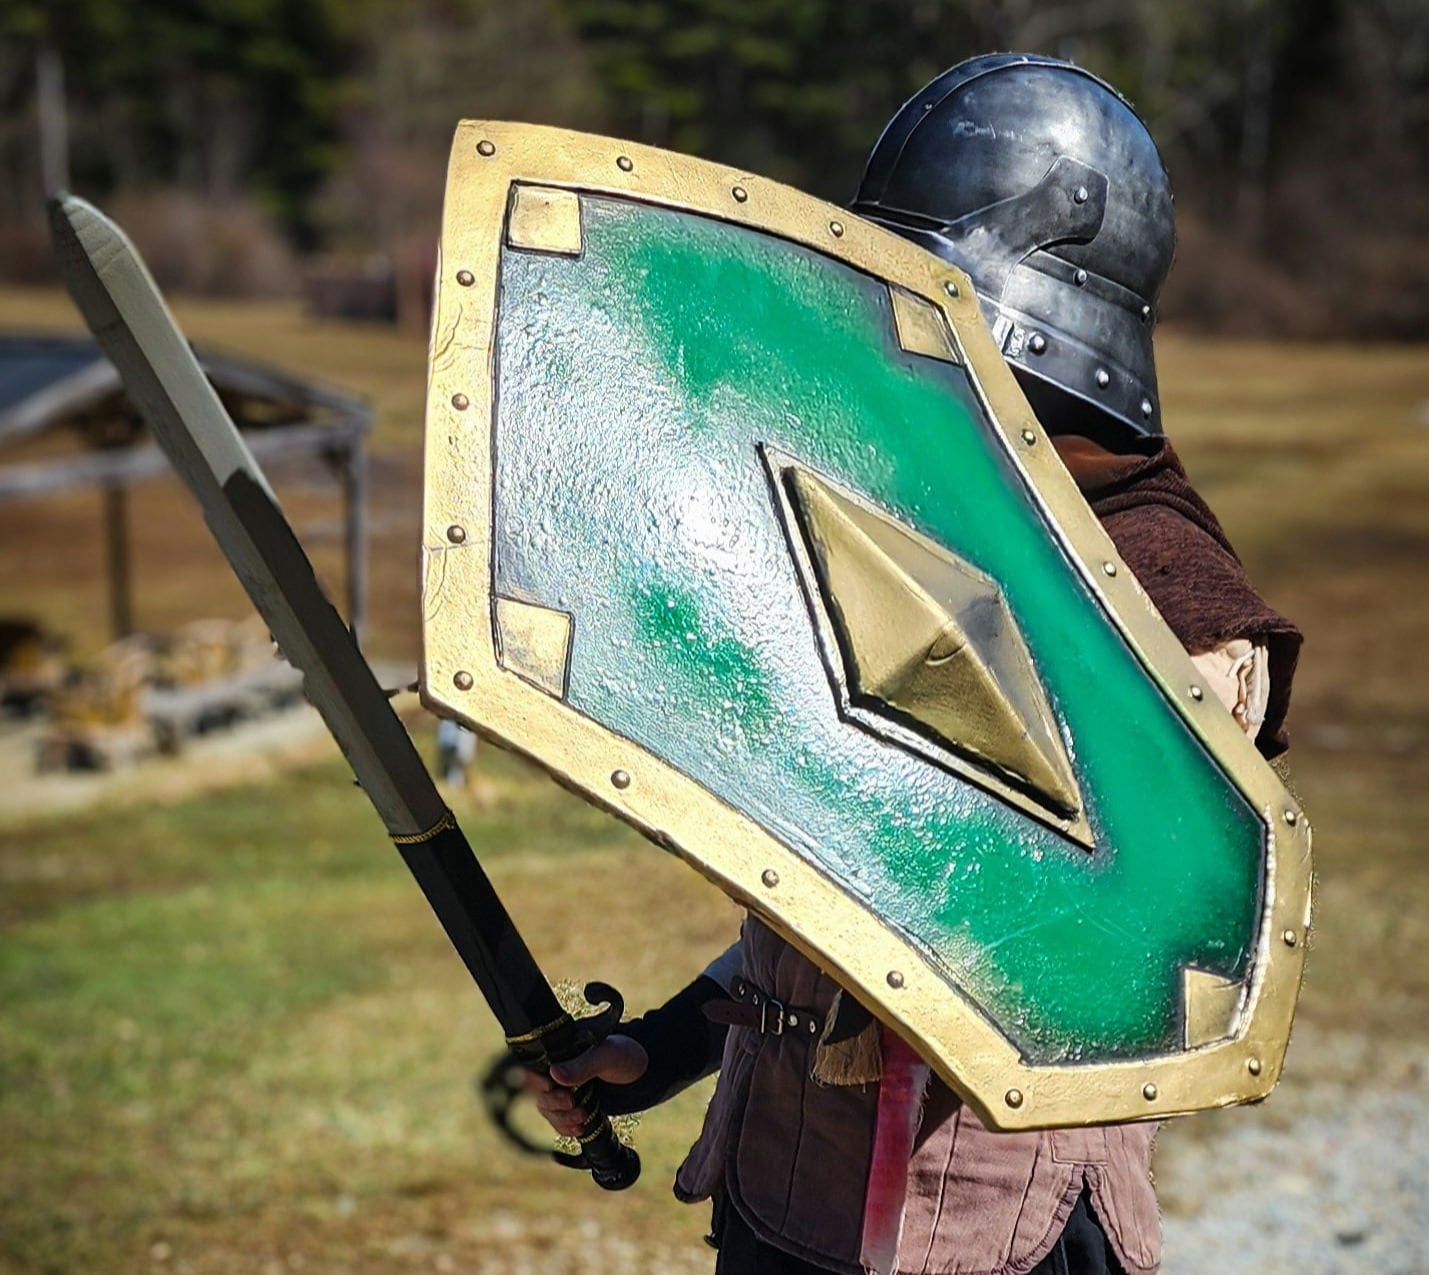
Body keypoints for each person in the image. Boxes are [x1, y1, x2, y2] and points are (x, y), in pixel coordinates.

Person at [527, 54, 1301, 1275]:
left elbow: (1029, 928)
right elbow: (836, 879)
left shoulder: (1164, 597)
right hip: (785, 1200)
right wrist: (660, 1049)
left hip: (992, 1227)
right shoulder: (904, 516)